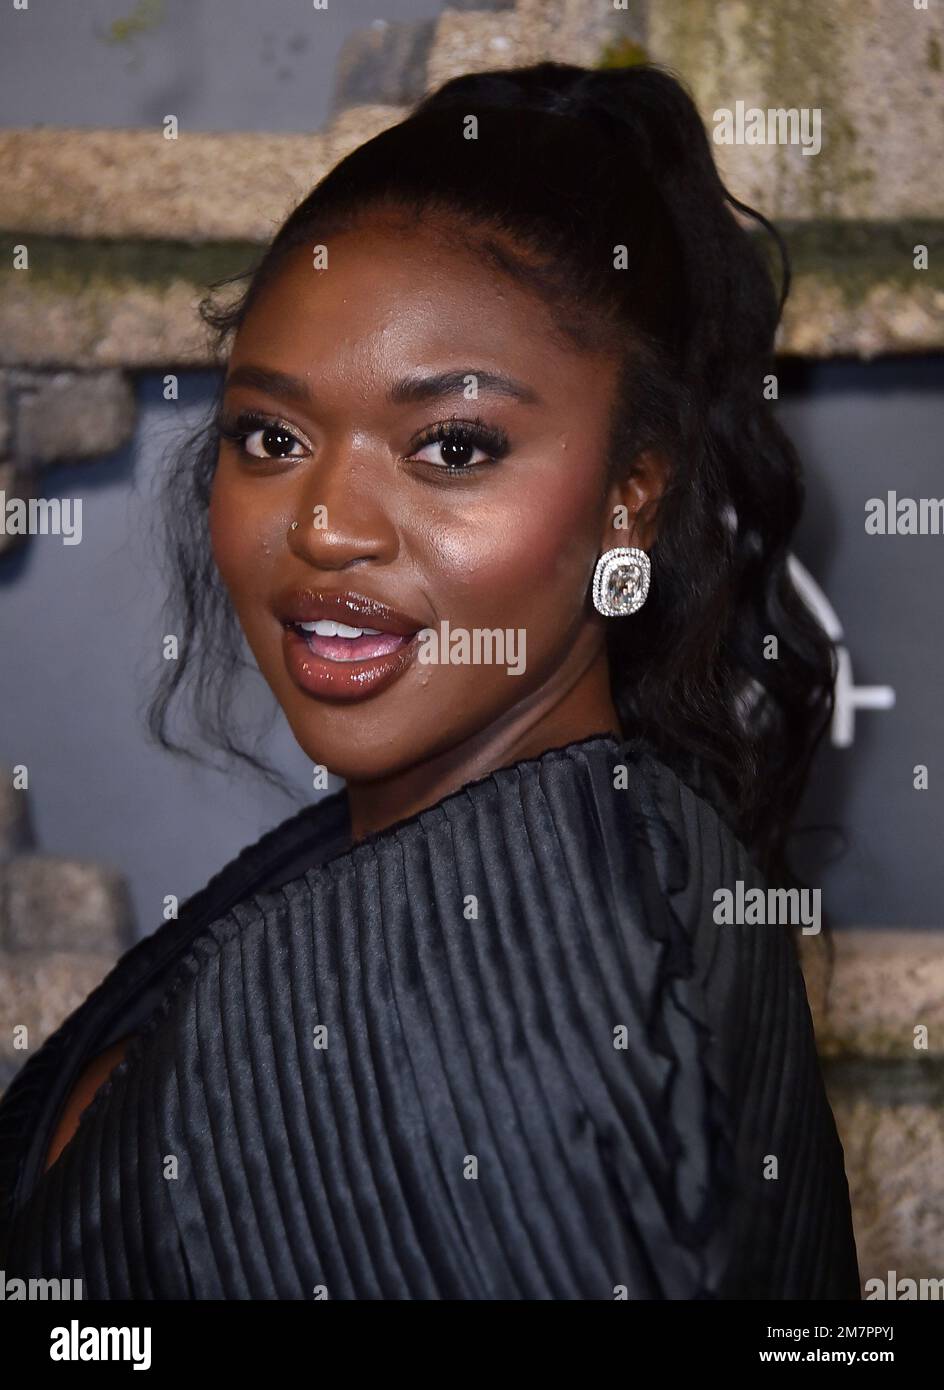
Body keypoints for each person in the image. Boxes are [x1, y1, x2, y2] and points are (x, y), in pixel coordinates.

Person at [0, 61, 860, 1299]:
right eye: (272, 437)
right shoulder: (543, 856)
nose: (328, 525)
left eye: (452, 446)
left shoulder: (509, 941)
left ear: (633, 495)